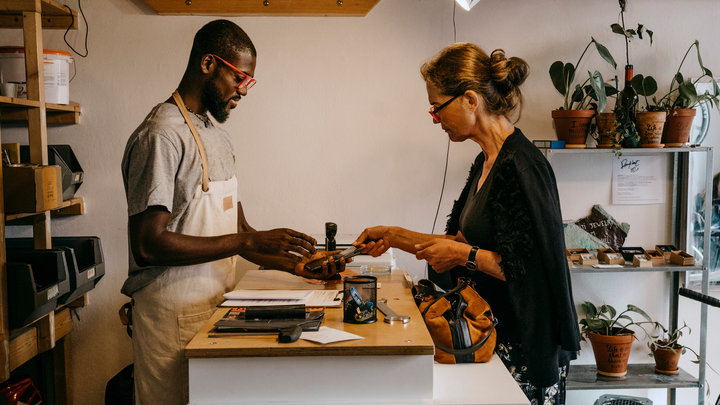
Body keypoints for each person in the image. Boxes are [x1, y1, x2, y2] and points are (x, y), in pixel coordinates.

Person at [121, 20, 344, 405]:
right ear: (208, 63)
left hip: (215, 309)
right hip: (170, 319)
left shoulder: (217, 136)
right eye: (239, 77)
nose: (243, 92)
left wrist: (295, 266)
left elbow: (237, 230)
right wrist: (247, 239)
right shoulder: (161, 134)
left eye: (249, 82)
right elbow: (148, 244)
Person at [354, 43, 580, 404]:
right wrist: (393, 236)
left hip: (523, 346)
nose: (435, 118)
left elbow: (527, 269)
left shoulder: (521, 167)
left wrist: (462, 255)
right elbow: (458, 241)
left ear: (470, 100)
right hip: (489, 336)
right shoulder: (486, 162)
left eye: (437, 106)